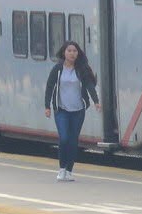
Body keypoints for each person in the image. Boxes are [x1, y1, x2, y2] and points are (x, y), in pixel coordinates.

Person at [43, 40, 101, 181]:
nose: (72, 53)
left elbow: (89, 85)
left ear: (78, 53)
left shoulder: (81, 69)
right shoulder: (57, 69)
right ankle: (62, 168)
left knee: (73, 140)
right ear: (64, 52)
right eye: (69, 51)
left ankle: (69, 170)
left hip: (78, 110)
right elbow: (50, 87)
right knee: (64, 139)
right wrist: (47, 106)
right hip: (61, 110)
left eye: (74, 51)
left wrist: (96, 101)